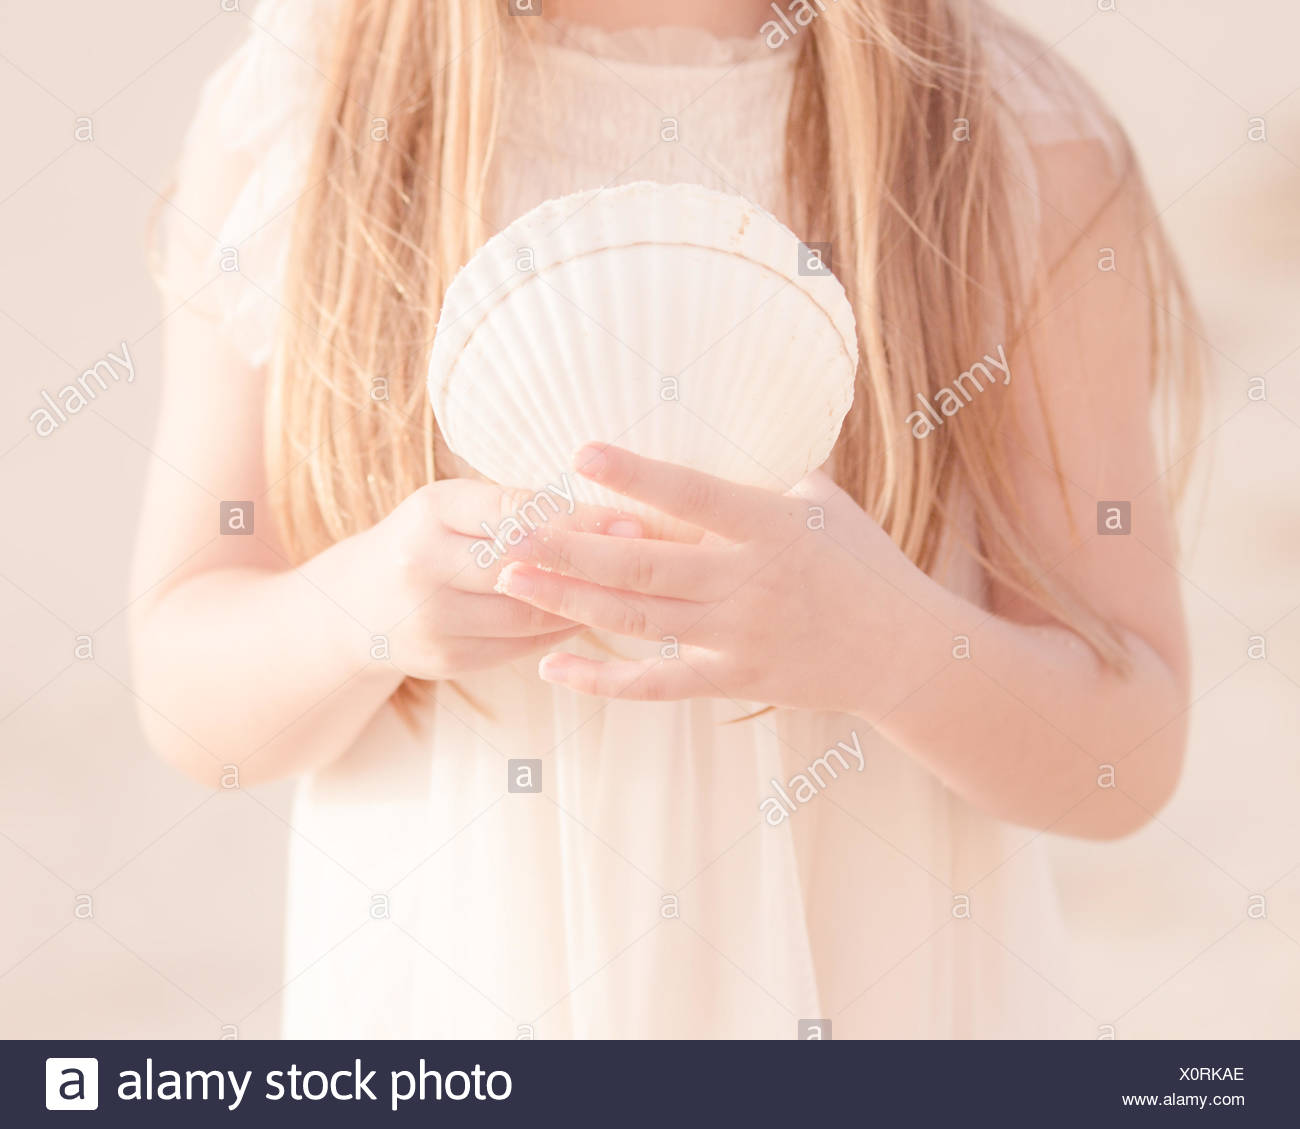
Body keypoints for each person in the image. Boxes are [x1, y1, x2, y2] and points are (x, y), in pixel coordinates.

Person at [133, 0, 1200, 1037]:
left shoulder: (1004, 136)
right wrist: (362, 609)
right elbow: (190, 692)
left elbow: (1125, 749)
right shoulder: (305, 108)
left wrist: (886, 647)